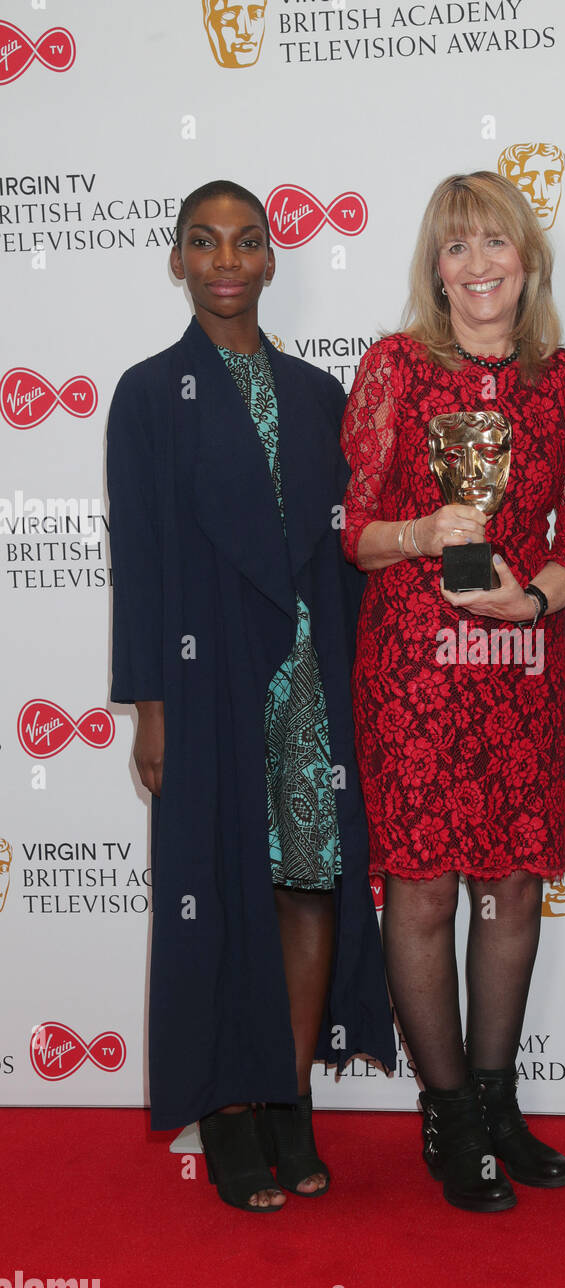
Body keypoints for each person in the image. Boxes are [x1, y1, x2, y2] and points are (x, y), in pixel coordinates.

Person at [107, 180, 395, 1212]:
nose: (226, 258)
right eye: (203, 241)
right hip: (205, 671)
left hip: (314, 672)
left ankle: (287, 1093)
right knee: (214, 888)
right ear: (177, 260)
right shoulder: (148, 394)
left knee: (309, 884)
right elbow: (138, 560)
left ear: (272, 262)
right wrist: (150, 705)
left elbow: (348, 549)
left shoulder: (321, 394)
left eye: (246, 241)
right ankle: (226, 1109)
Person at [340, 171, 565, 1212]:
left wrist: (533, 602)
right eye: (456, 248)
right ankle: (446, 1113)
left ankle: (499, 1104)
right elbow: (354, 532)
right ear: (434, 269)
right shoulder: (393, 368)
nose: (478, 264)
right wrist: (421, 535)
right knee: (421, 887)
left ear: (527, 260)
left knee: (511, 886)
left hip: (519, 665)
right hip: (411, 669)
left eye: (495, 243)